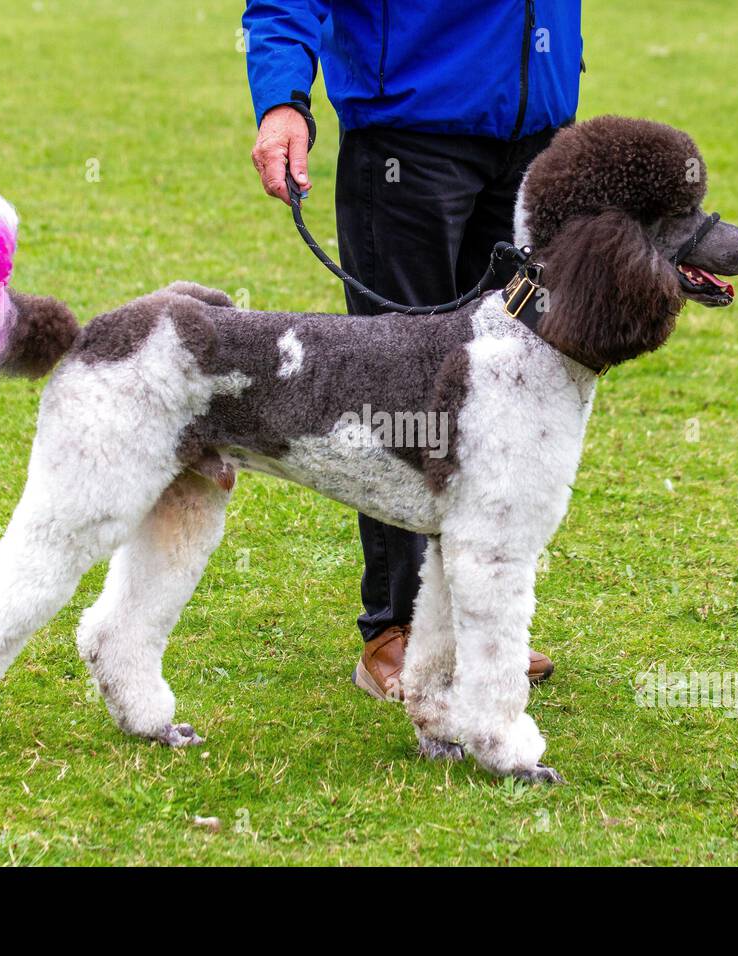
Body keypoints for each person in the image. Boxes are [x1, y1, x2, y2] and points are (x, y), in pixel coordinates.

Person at [243, 1, 582, 699]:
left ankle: (475, 633)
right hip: (409, 135)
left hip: (538, 139)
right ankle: (394, 630)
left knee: (512, 388)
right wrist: (282, 97)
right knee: (401, 390)